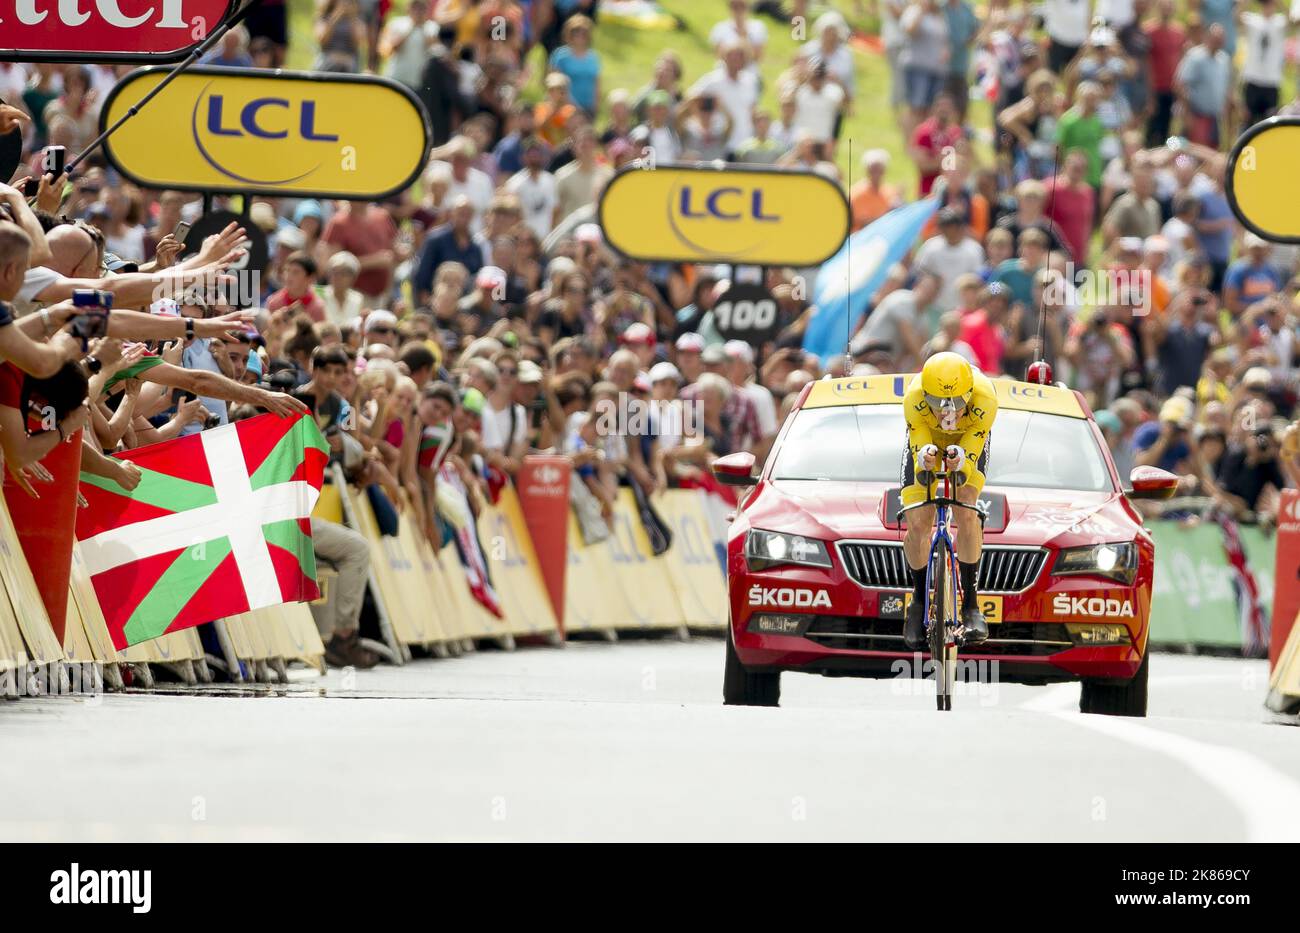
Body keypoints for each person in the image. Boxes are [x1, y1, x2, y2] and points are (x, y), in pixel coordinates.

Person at [900, 351, 998, 649]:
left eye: (957, 402)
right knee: (918, 520)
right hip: (926, 438)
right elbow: (918, 443)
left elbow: (972, 448)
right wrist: (924, 459)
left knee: (966, 507)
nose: (947, 411)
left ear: (969, 394)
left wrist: (962, 463)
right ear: (925, 396)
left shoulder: (985, 399)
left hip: (967, 439)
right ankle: (918, 602)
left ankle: (970, 605)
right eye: (937, 403)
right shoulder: (914, 398)